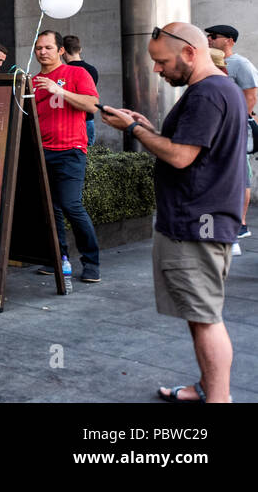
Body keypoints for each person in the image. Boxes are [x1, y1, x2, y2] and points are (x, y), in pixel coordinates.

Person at [101, 23, 247, 403]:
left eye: (161, 61)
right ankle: (207, 388)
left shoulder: (207, 94)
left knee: (205, 319)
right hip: (200, 221)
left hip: (196, 225)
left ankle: (219, 398)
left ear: (188, 53)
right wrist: (149, 128)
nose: (157, 70)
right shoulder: (218, 89)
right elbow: (186, 148)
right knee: (202, 317)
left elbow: (181, 157)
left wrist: (134, 128)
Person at [32, 29, 101, 282]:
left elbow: (92, 105)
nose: (42, 52)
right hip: (42, 153)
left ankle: (91, 262)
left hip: (71, 150)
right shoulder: (33, 81)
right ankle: (58, 259)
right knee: (51, 210)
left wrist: (59, 90)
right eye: (39, 48)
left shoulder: (76, 73)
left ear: (61, 50)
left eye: (48, 47)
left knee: (72, 205)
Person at [205, 25, 256, 247]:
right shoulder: (211, 64)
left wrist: (238, 120)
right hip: (216, 130)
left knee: (240, 174)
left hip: (235, 129)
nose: (209, 39)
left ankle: (240, 225)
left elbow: (251, 94)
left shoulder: (241, 64)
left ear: (229, 41)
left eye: (214, 37)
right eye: (208, 36)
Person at [62, 35, 100, 146]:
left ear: (62, 51)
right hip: (88, 120)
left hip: (70, 121)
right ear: (80, 49)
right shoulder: (92, 69)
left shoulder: (63, 72)